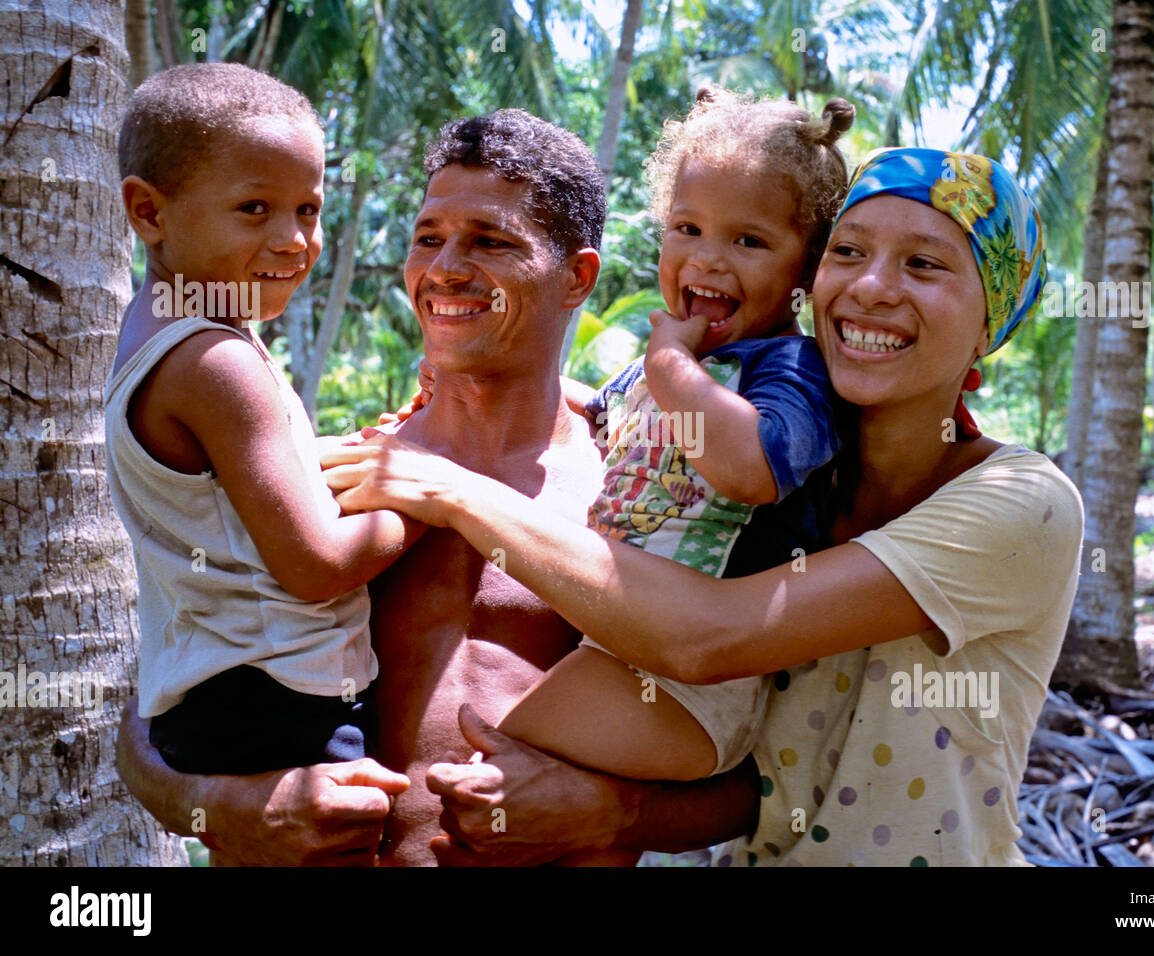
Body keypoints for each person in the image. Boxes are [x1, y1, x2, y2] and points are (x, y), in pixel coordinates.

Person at [322, 146, 1085, 866]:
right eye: (847, 253)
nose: (873, 286)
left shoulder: (1020, 505)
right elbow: (762, 790)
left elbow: (708, 639)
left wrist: (451, 490)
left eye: (923, 264)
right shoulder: (779, 492)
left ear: (991, 322)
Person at [116, 107, 764, 865]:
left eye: (490, 240)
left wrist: (614, 814)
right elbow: (151, 711)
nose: (446, 268)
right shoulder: (337, 479)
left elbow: (765, 775)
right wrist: (221, 809)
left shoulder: (650, 486)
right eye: (429, 238)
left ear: (577, 277)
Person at [106, 63, 424, 795]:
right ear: (149, 213)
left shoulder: (165, 332)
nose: (294, 240)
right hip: (285, 695)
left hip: (223, 693)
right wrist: (426, 488)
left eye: (307, 210)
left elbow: (226, 490)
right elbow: (316, 566)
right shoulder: (218, 363)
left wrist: (348, 455)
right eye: (255, 209)